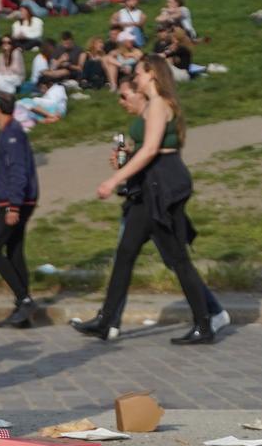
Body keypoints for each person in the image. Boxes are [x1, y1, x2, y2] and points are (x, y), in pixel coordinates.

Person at [71, 55, 218, 344]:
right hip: (149, 186)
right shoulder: (151, 105)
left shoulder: (161, 103)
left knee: (178, 259)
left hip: (163, 184)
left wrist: (114, 180)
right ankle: (107, 320)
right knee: (126, 252)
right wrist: (123, 159)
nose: (134, 76)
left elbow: (151, 150)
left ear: (150, 73)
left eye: (138, 71)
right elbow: (143, 148)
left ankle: (204, 323)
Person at [0, 92, 40, 329]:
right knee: (14, 251)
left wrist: (13, 206)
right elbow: (1, 176)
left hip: (17, 203)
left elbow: (18, 173)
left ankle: (24, 299)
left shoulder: (13, 134)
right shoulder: (7, 133)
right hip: (9, 202)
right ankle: (22, 312)